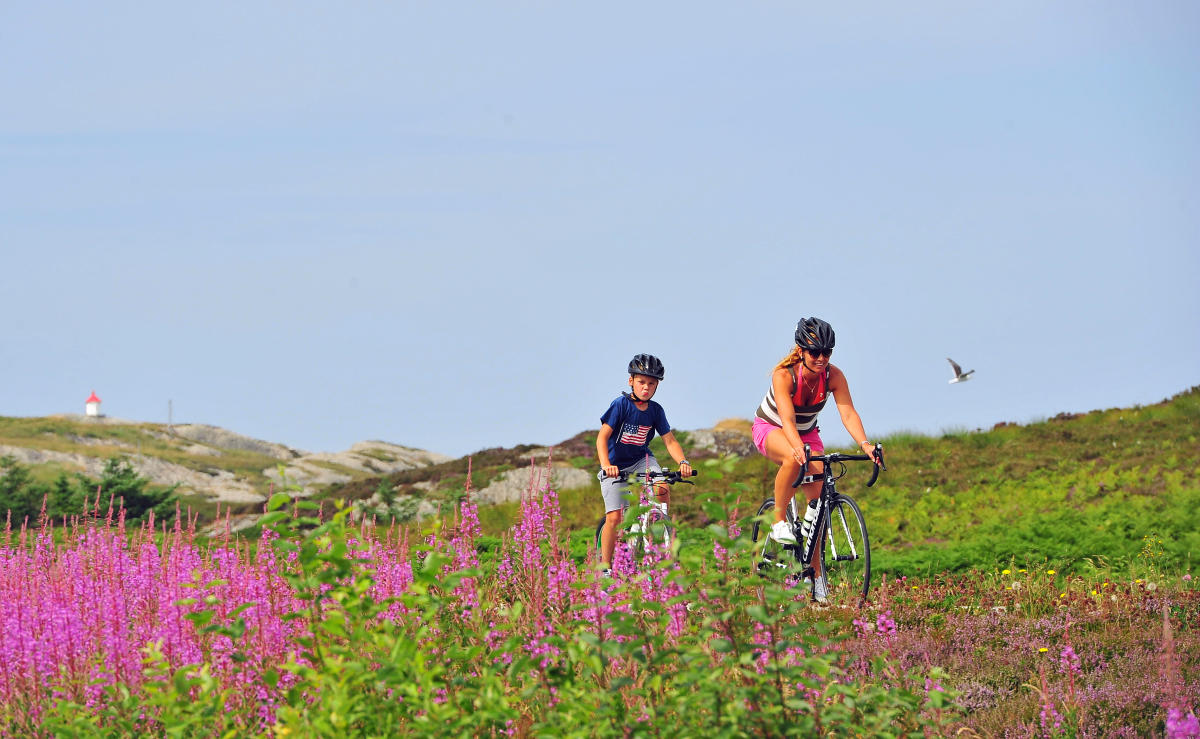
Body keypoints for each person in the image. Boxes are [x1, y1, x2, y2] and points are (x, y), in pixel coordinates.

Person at [753, 317, 879, 600]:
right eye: (815, 352)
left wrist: (865, 444)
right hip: (772, 428)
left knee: (820, 503)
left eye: (827, 352)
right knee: (792, 458)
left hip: (808, 432)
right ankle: (778, 522)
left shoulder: (833, 376)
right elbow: (786, 419)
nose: (822, 358)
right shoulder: (785, 374)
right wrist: (796, 447)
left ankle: (816, 578)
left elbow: (847, 412)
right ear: (801, 351)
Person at [596, 353, 693, 574]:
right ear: (631, 381)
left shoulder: (656, 410)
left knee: (661, 487)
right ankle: (605, 567)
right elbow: (602, 438)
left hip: (642, 460)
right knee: (615, 517)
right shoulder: (620, 405)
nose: (646, 387)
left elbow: (670, 440)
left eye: (651, 383)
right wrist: (606, 465)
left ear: (657, 385)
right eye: (641, 382)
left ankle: (660, 527)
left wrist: (683, 462)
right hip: (615, 465)